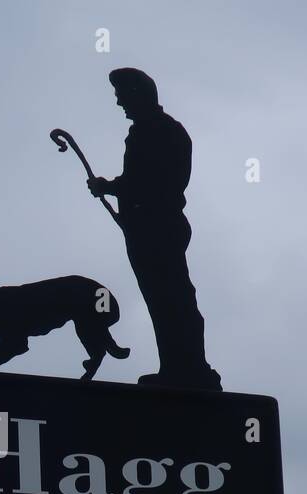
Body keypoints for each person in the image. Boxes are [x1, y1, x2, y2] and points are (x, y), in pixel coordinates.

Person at [87, 68, 222, 390]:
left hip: (158, 226)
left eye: (122, 95)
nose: (119, 103)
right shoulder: (149, 131)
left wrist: (111, 187)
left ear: (138, 94)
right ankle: (176, 367)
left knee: (172, 298)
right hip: (148, 226)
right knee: (162, 300)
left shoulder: (160, 131)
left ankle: (190, 369)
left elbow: (154, 182)